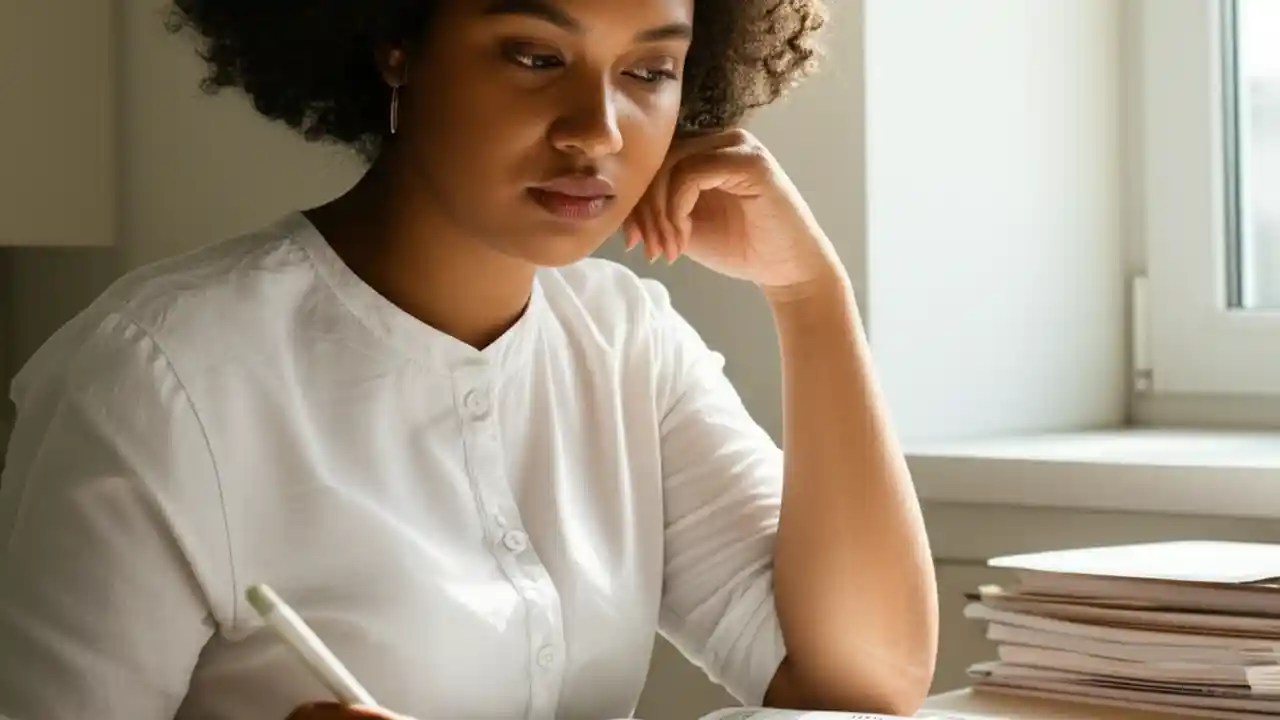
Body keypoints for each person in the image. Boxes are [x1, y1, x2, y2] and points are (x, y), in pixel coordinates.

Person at [0, 1, 938, 718]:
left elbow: (865, 685)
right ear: (396, 42)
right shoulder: (155, 379)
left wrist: (811, 297)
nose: (598, 131)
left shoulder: (624, 344)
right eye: (536, 57)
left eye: (649, 70)